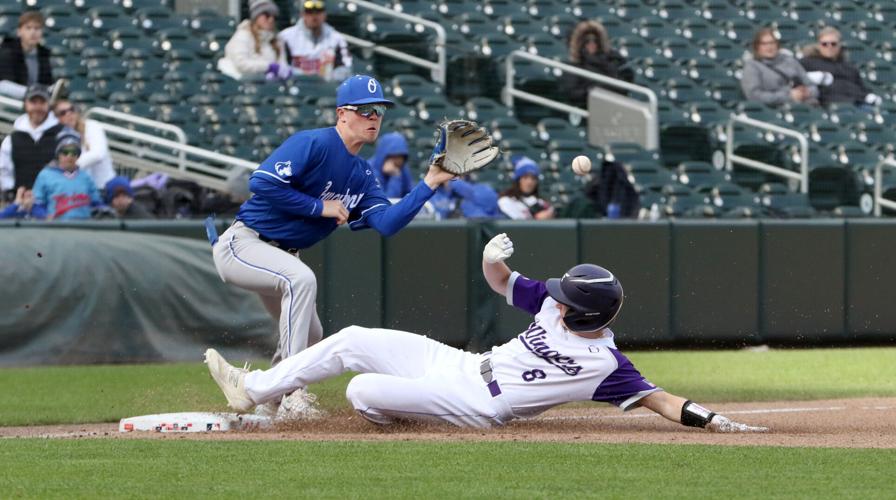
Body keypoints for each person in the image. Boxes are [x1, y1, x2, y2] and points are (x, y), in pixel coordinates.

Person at [205, 233, 768, 433]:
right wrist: (490, 257)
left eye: (567, 298)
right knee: (352, 337)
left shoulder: (606, 369)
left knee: (360, 392)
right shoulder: (552, 303)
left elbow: (663, 401)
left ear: (590, 315)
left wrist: (722, 422)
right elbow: (501, 281)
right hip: (459, 363)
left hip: (476, 403)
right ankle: (255, 392)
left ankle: (405, 413)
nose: (556, 297)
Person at [208, 74, 457, 420]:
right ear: (342, 114)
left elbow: (386, 223)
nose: (374, 118)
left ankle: (268, 401)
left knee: (313, 338)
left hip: (281, 256)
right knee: (301, 280)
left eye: (379, 111)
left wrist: (429, 183)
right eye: (365, 110)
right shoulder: (314, 143)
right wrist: (318, 207)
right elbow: (261, 183)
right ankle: (292, 392)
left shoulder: (363, 174)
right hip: (243, 243)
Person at [0, 84, 64, 197]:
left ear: (48, 105)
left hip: (56, 200)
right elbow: (5, 171)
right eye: (33, 102)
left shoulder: (62, 135)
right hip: (21, 201)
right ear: (25, 104)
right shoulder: (12, 139)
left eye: (42, 102)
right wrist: (12, 194)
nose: (37, 107)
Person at [31, 128, 104, 220]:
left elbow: (97, 204)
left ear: (78, 156)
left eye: (74, 152)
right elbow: (36, 205)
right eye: (65, 152)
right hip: (55, 229)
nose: (69, 156)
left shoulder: (86, 177)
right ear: (58, 154)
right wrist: (45, 216)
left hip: (83, 229)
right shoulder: (44, 175)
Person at [799, 27, 881, 109]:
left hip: (857, 103)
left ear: (839, 45)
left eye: (833, 44)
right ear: (819, 46)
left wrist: (869, 96)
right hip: (829, 106)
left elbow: (861, 87)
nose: (829, 47)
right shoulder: (807, 63)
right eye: (824, 44)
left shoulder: (849, 67)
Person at [561, 20, 634, 109]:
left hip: (614, 107)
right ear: (581, 43)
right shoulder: (575, 67)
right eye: (587, 41)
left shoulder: (612, 60)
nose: (592, 44)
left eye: (595, 40)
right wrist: (593, 90)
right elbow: (572, 92)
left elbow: (624, 84)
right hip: (589, 109)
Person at [741, 27, 819, 106]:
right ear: (757, 47)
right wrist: (788, 96)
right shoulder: (752, 66)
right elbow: (754, 96)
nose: (769, 47)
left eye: (772, 43)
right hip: (774, 110)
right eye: (764, 44)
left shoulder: (789, 60)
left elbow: (812, 86)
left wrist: (806, 92)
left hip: (804, 105)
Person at [278, 0, 352, 82]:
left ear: (324, 15)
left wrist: (334, 76)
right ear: (303, 14)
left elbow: (346, 66)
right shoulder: (286, 37)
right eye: (309, 12)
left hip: (326, 89)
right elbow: (281, 67)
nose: (314, 16)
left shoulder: (336, 38)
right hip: (296, 86)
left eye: (318, 12)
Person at [218, 0, 291, 81]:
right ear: (256, 17)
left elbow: (282, 64)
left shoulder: (278, 40)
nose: (271, 20)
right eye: (267, 15)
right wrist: (268, 67)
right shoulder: (242, 35)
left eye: (274, 17)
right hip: (244, 83)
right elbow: (241, 64)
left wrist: (284, 71)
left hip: (270, 85)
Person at [52, 99, 115, 189]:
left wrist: (70, 165)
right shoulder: (57, 135)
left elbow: (98, 154)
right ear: (56, 118)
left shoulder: (92, 126)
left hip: (103, 187)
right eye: (63, 113)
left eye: (71, 109)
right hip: (76, 189)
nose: (69, 114)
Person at [0, 11, 53, 99]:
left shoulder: (43, 55)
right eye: (28, 28)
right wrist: (32, 92)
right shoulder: (7, 52)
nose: (33, 32)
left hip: (37, 103)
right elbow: (4, 85)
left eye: (37, 28)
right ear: (19, 32)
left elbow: (47, 82)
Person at [367, 132, 413, 198]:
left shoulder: (402, 168)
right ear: (383, 155)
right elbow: (385, 203)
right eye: (394, 156)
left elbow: (411, 194)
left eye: (401, 156)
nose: (398, 161)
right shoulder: (368, 170)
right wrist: (395, 176)